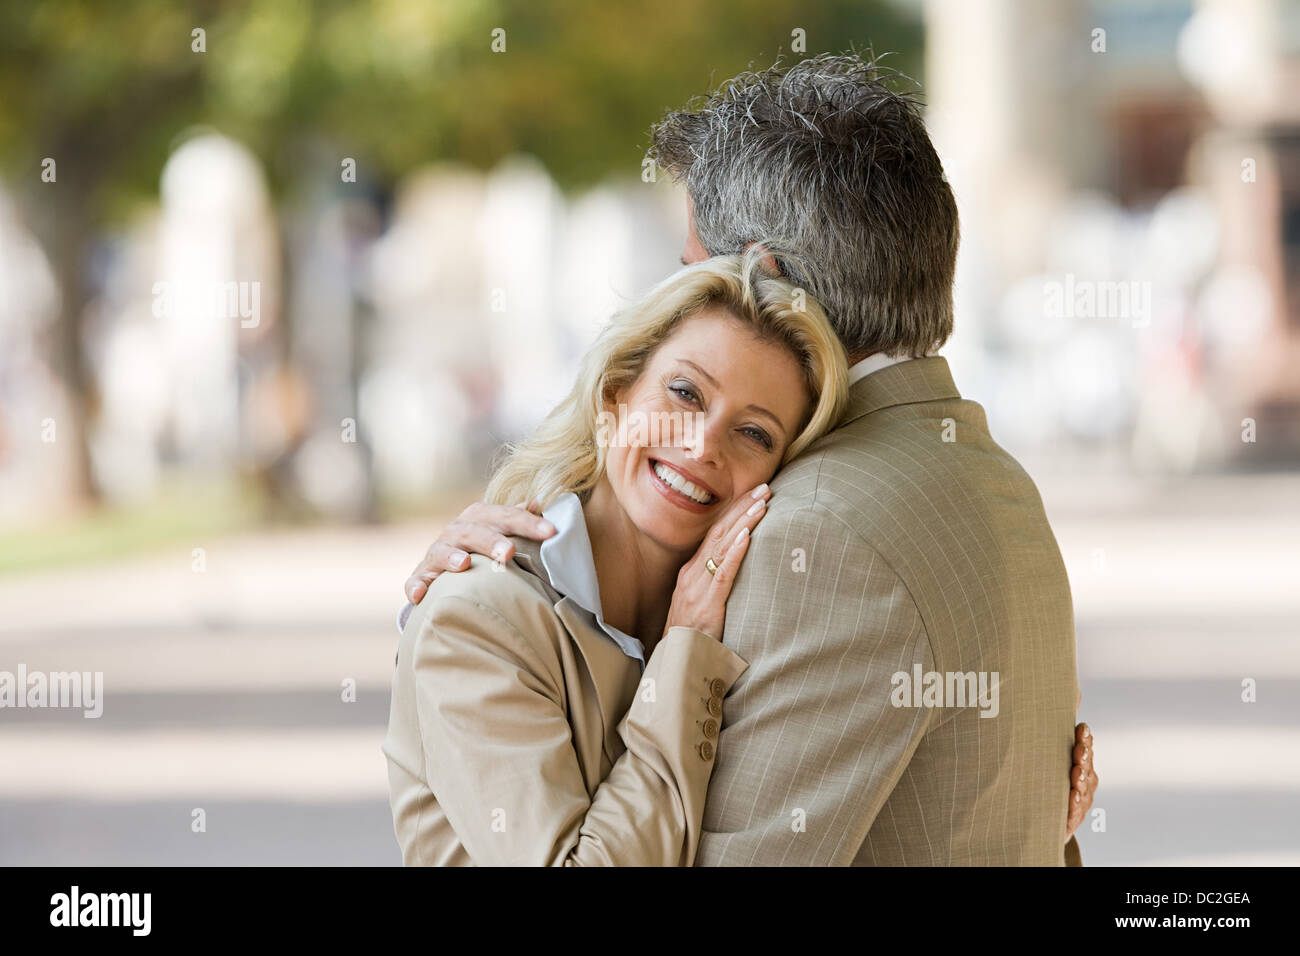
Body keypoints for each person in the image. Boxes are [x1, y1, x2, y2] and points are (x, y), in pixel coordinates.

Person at [401, 53, 1098, 865]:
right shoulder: (994, 478)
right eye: (685, 393)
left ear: (761, 278)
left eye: (692, 261)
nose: (681, 293)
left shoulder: (818, 529)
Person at [384, 248, 851, 864]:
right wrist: (685, 657)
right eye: (685, 392)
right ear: (615, 395)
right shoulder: (479, 618)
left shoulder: (747, 622)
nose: (702, 443)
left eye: (755, 432)